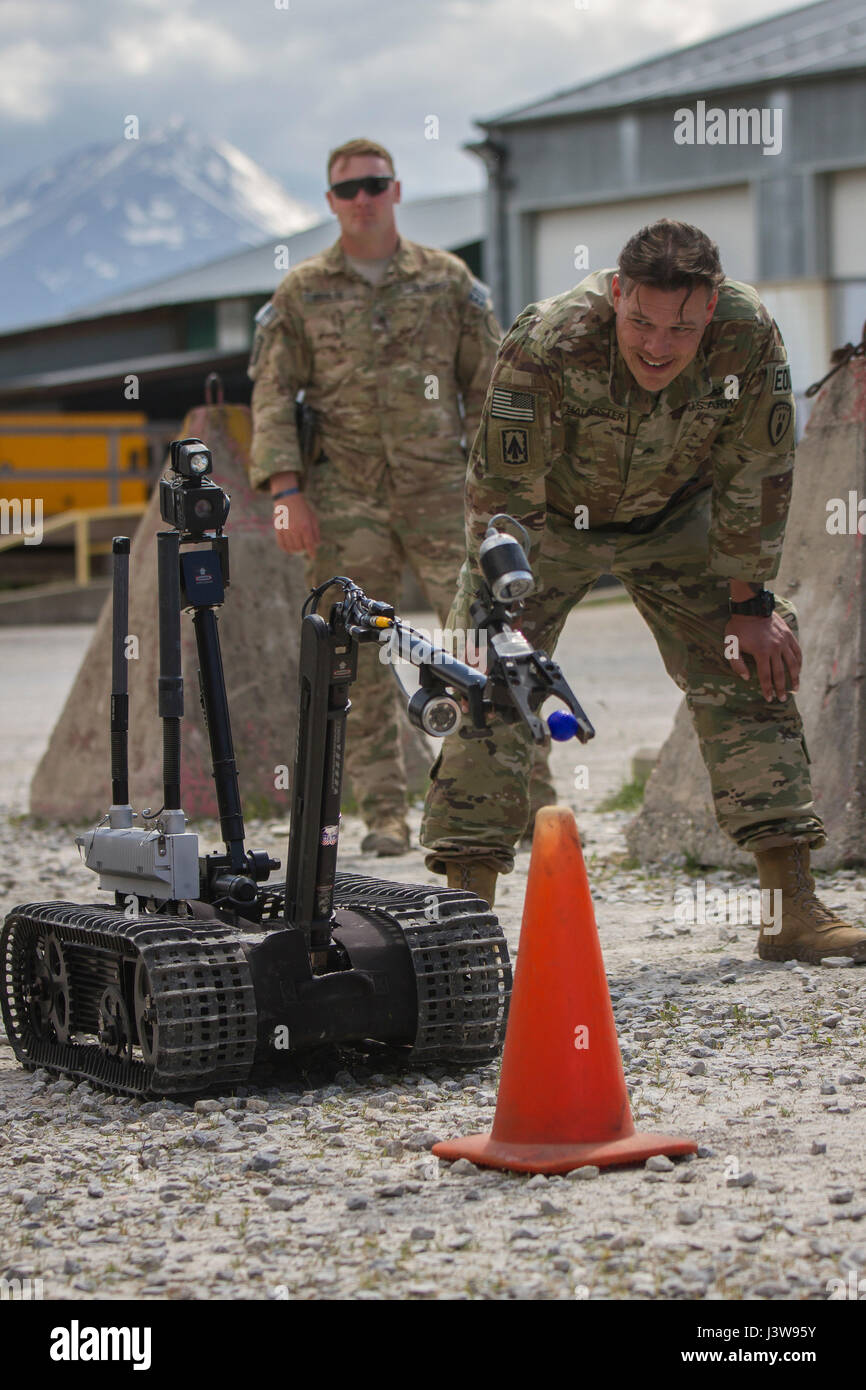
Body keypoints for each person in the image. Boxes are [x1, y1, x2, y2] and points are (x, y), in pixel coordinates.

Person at [420, 217, 866, 963]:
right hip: (546, 524)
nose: (659, 346)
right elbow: (501, 490)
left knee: (750, 661)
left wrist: (749, 604)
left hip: (678, 515)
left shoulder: (747, 334)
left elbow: (759, 469)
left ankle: (792, 910)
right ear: (618, 292)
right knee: (489, 679)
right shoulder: (550, 339)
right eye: (642, 322)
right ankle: (464, 929)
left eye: (682, 329)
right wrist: (502, 615)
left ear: (713, 306)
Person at [247, 137, 508, 854]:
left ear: (396, 191)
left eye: (375, 184)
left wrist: (500, 490)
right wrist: (285, 490)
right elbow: (271, 392)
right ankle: (384, 816)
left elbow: (488, 388)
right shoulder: (302, 291)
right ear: (330, 202)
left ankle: (484, 803)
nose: (362, 199)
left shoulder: (448, 280)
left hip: (439, 489)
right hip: (345, 495)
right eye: (348, 189)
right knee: (354, 652)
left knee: (477, 636)